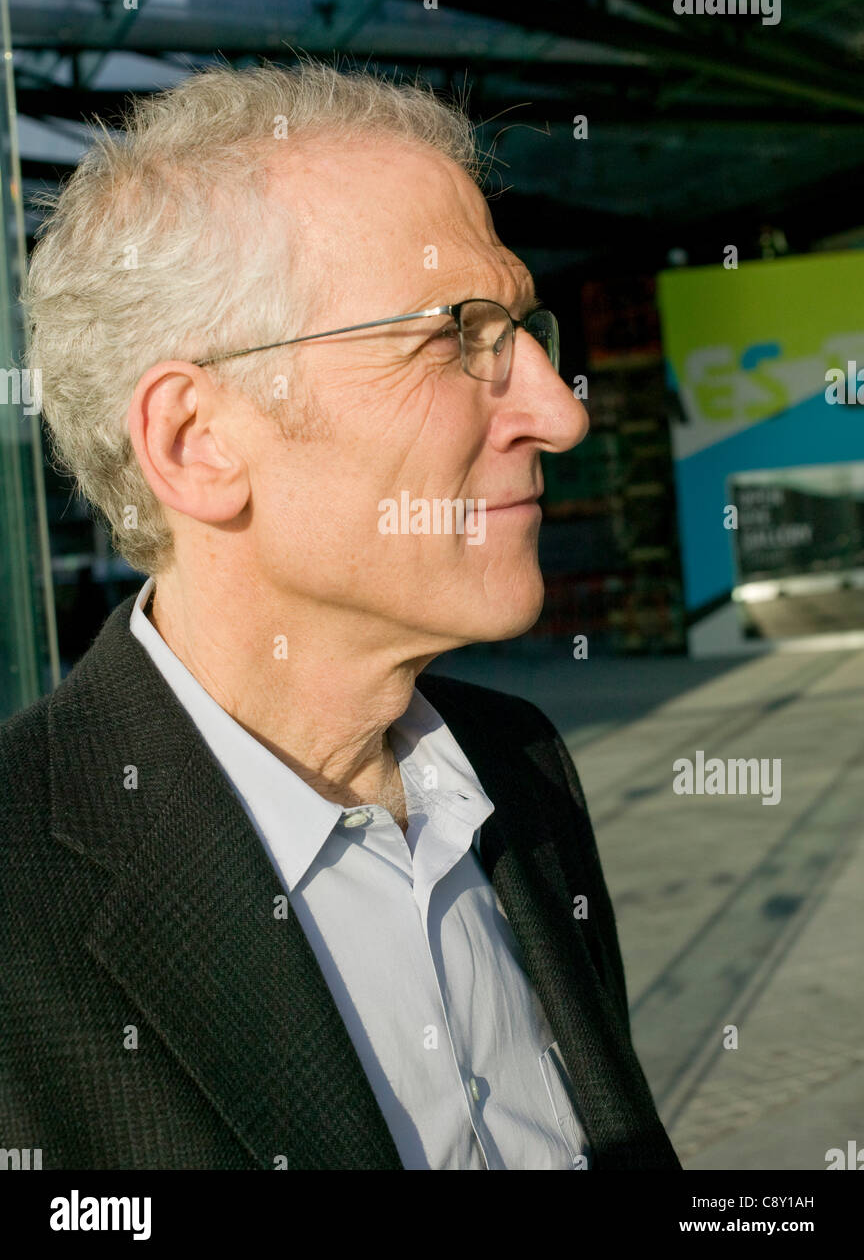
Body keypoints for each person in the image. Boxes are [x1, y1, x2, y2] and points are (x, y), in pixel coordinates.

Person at [0, 61, 680, 1170]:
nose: (560, 411)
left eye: (522, 328)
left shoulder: (520, 767)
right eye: (456, 338)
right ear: (198, 442)